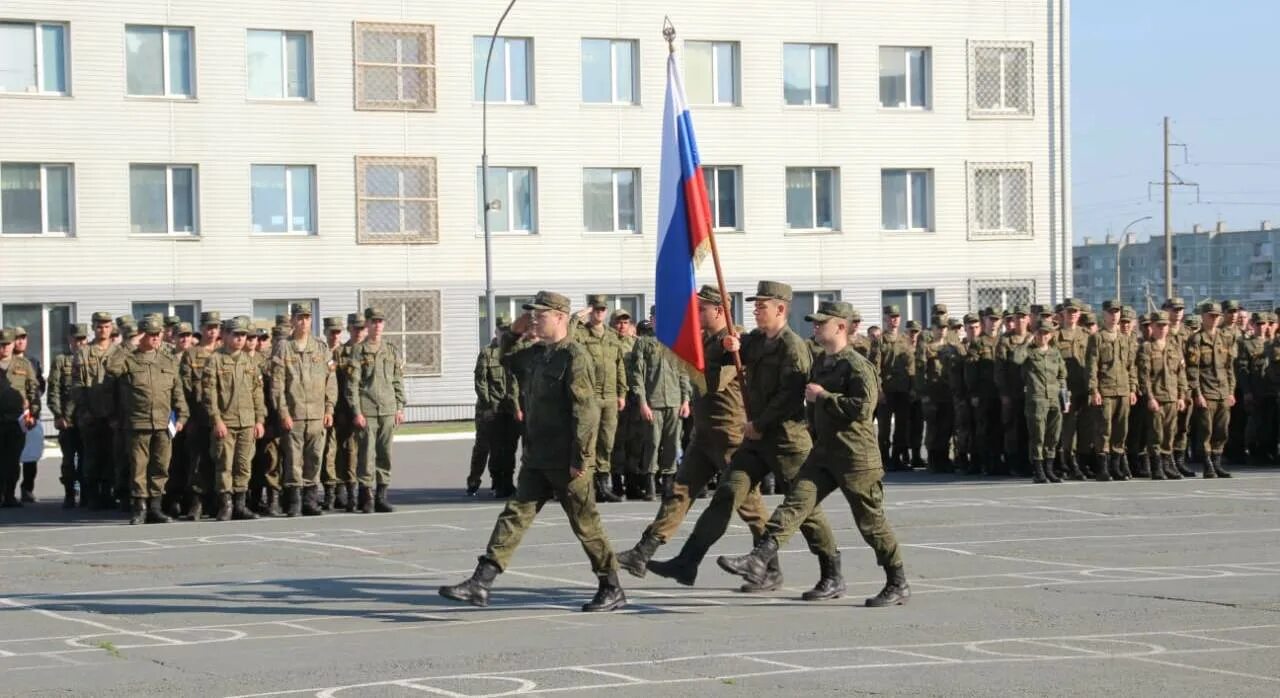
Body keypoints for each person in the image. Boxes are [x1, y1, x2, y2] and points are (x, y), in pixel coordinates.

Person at [648, 281, 839, 598]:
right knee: (727, 492)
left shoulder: (793, 347)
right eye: (754, 305)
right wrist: (729, 348)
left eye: (761, 305)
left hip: (786, 440)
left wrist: (759, 424)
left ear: (780, 308)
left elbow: (789, 398)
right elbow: (727, 360)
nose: (755, 309)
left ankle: (832, 571)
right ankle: (688, 561)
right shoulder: (757, 341)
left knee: (805, 510)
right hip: (756, 438)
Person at [438, 291, 625, 612]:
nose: (535, 319)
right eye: (533, 314)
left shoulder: (574, 356)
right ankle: (481, 582)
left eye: (541, 314)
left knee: (586, 524)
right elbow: (506, 357)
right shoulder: (538, 354)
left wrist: (581, 457)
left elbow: (587, 411)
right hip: (537, 456)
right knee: (514, 516)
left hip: (567, 460)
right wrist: (514, 331)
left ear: (561, 317)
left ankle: (611, 586)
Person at [716, 301, 909, 607]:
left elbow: (863, 409)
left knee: (870, 523)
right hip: (824, 453)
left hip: (856, 458)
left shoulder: (857, 366)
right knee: (795, 504)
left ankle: (897, 581)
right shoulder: (822, 362)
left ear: (841, 327)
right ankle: (760, 558)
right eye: (815, 323)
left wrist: (825, 397)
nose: (816, 328)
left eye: (822, 323)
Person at [615, 286, 769, 578]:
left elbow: (714, 383)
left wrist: (725, 351)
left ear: (719, 310)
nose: (695, 315)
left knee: (748, 503)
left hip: (729, 433)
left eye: (701, 309)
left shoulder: (735, 341)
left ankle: (768, 564)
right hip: (704, 431)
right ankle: (643, 551)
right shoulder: (703, 339)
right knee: (679, 491)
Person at [113, 317, 189, 524]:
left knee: (160, 466)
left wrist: (182, 416)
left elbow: (177, 392)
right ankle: (140, 508)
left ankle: (155, 507)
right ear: (142, 335)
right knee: (138, 467)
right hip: (138, 423)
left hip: (164, 423)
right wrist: (130, 343)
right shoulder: (129, 359)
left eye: (158, 334)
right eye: (151, 334)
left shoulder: (168, 361)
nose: (155, 338)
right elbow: (111, 367)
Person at [272, 302, 338, 517]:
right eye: (299, 318)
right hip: (295, 415)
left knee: (315, 458)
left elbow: (331, 381)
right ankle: (294, 501)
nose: (303, 322)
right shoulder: (284, 347)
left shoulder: (320, 347)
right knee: (293, 460)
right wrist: (283, 412)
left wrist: (329, 409)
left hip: (317, 415)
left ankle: (310, 500)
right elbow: (277, 385)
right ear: (292, 321)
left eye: (307, 317)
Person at [203, 317, 266, 521]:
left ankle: (240, 504)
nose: (240, 339)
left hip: (247, 421)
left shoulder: (250, 361)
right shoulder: (215, 359)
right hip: (226, 422)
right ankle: (225, 505)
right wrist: (216, 420)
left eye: (243, 335)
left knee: (243, 464)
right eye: (236, 335)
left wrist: (259, 420)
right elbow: (209, 393)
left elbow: (258, 392)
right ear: (226, 335)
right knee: (225, 464)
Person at [346, 307, 406, 513]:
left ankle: (382, 494)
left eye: (381, 321)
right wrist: (357, 411)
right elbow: (352, 384)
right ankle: (367, 496)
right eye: (374, 322)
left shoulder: (390, 350)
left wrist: (400, 406)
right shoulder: (358, 351)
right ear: (368, 324)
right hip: (368, 409)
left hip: (388, 408)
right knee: (366, 455)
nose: (378, 325)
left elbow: (398, 379)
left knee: (385, 453)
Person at [630, 310, 692, 499]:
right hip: (653, 402)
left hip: (674, 401)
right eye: (657, 317)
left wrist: (686, 400)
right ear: (652, 319)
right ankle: (650, 483)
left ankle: (668, 482)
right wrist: (642, 403)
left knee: (673, 443)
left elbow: (683, 373)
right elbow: (637, 376)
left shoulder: (675, 342)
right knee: (652, 443)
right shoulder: (643, 343)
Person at [572, 295, 628, 503]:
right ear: (590, 309)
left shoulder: (612, 336)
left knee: (607, 442)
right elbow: (567, 335)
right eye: (596, 309)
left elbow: (619, 366)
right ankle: (587, 485)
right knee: (588, 442)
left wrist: (622, 393)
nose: (599, 313)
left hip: (610, 396)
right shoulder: (581, 334)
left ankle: (603, 485)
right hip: (591, 396)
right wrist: (578, 317)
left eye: (603, 309)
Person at [468, 314, 520, 497]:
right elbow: (480, 382)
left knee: (509, 447)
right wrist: (488, 406)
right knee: (487, 446)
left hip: (510, 408)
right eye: (502, 329)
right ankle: (479, 479)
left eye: (508, 330)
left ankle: (505, 480)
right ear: (496, 331)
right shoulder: (487, 353)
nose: (504, 333)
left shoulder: (515, 351)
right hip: (491, 407)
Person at [1086, 300, 1138, 481]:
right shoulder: (1097, 338)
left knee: (1121, 430)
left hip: (1123, 389)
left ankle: (1116, 467)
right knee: (1104, 429)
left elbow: (1131, 366)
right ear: (1104, 315)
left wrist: (1132, 388)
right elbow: (1092, 366)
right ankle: (1103, 468)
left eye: (1117, 312)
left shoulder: (1125, 338)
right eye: (1111, 312)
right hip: (1105, 390)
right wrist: (1094, 390)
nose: (1114, 315)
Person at [179, 312, 222, 519]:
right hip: (198, 416)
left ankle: (217, 502)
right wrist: (188, 418)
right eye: (208, 327)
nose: (212, 331)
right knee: (197, 461)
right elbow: (185, 388)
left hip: (222, 418)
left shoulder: (224, 352)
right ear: (202, 329)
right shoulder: (192, 354)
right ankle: (196, 502)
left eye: (215, 327)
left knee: (220, 460)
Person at [1185, 302, 1235, 478]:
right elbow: (1192, 369)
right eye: (1210, 316)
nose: (1214, 319)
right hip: (1206, 391)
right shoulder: (1196, 339)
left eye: (1216, 316)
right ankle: (1207, 465)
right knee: (1206, 430)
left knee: (1222, 430)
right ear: (1203, 317)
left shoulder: (1225, 337)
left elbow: (1229, 368)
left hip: (1222, 390)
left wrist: (1231, 391)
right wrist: (1197, 393)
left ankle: (1217, 461)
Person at [1138, 311, 1187, 480]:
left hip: (1172, 396)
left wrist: (1181, 396)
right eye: (1159, 325)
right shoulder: (1146, 347)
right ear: (1152, 326)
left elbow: (1180, 374)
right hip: (1156, 397)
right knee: (1156, 433)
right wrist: (1150, 397)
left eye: (1165, 325)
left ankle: (1167, 464)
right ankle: (1156, 467)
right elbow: (1144, 376)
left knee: (1170, 432)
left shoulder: (1174, 346)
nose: (1162, 328)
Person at [1018, 319, 1066, 484]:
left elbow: (1062, 375)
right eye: (1040, 333)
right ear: (1035, 334)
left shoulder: (1055, 353)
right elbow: (1016, 359)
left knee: (1053, 435)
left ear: (1051, 335)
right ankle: (1038, 471)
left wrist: (1064, 398)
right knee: (1038, 435)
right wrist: (1027, 342)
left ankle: (1049, 469)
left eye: (1046, 333)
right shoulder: (1029, 352)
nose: (1043, 336)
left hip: (1054, 398)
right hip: (1036, 399)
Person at [49, 324, 88, 507]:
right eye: (76, 339)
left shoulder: (90, 358)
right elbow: (54, 390)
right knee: (68, 460)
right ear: (70, 340)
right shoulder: (61, 361)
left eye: (83, 339)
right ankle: (70, 493)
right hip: (68, 420)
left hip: (88, 419)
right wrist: (58, 415)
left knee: (87, 458)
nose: (79, 343)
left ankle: (87, 493)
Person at [0, 328, 40, 508]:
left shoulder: (23, 364)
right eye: (1, 345)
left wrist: (33, 414)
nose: (5, 348)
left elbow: (33, 391)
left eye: (7, 344)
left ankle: (9, 494)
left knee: (12, 460)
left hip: (16, 422)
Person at [332, 313, 367, 511]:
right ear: (349, 329)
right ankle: (350, 494)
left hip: (367, 409)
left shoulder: (369, 351)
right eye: (356, 328)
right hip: (346, 411)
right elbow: (334, 384)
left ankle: (366, 492)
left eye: (362, 328)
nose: (359, 332)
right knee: (349, 453)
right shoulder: (340, 353)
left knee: (367, 453)